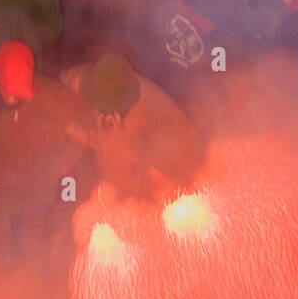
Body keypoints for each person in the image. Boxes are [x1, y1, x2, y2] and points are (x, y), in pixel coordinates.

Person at [0, 40, 91, 265]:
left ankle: (28, 287)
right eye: (9, 92)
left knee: (32, 249)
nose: (15, 98)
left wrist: (62, 165)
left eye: (21, 93)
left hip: (38, 189)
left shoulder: (53, 96)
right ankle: (2, 286)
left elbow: (85, 131)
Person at [61, 53, 205, 199]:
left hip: (137, 195)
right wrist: (72, 127)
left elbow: (181, 167)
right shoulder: (86, 80)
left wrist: (150, 193)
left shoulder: (156, 113)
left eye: (107, 105)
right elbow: (56, 96)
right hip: (107, 179)